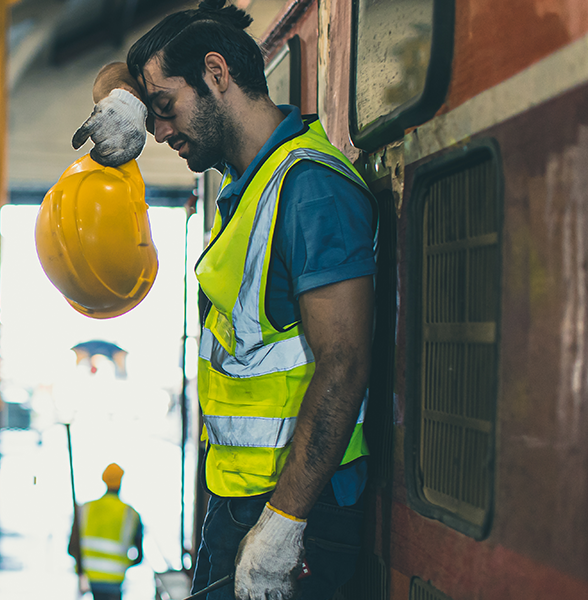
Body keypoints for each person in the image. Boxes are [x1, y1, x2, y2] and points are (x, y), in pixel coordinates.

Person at [71, 1, 375, 599]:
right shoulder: (249, 186)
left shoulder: (309, 188)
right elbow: (118, 71)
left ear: (217, 73)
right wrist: (125, 98)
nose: (159, 133)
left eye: (164, 108)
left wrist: (283, 525)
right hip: (242, 501)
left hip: (295, 512)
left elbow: (345, 363)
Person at [69, 464, 144, 600]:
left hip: (90, 580)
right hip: (115, 581)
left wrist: (82, 570)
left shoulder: (85, 509)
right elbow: (139, 557)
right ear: (120, 482)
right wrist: (124, 565)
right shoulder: (130, 514)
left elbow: (71, 548)